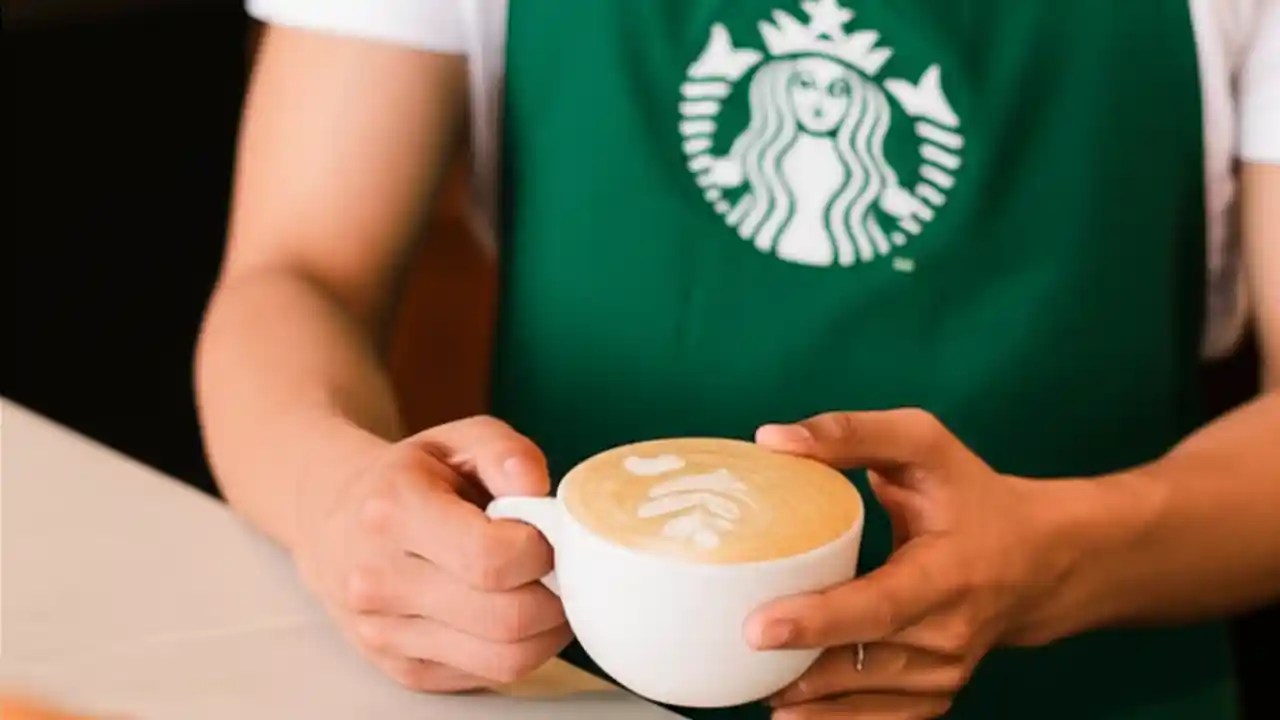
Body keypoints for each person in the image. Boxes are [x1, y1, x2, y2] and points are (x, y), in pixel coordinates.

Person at [196, 1, 1280, 718]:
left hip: (1090, 688)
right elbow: (293, 276)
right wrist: (334, 497)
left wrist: (1051, 564)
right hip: (573, 689)